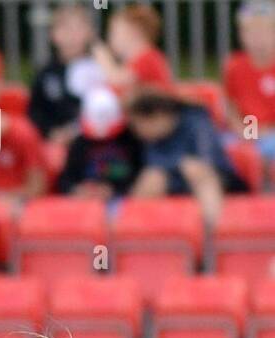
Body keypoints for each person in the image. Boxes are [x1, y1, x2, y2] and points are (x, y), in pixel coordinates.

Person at [127, 87, 244, 227]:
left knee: (198, 172)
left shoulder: (197, 122)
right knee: (152, 178)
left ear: (158, 116)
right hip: (175, 180)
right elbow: (153, 164)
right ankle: (136, 234)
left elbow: (209, 161)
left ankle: (213, 237)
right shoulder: (149, 140)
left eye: (139, 125)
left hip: (218, 181)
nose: (137, 131)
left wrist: (183, 164)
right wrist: (178, 163)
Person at [28, 3, 107, 143]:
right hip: (57, 143)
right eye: (66, 28)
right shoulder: (46, 74)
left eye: (78, 28)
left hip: (97, 140)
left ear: (89, 32)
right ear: (53, 34)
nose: (72, 35)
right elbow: (35, 112)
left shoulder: (102, 68)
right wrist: (52, 132)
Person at [55, 85, 144, 198]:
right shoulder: (80, 143)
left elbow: (141, 174)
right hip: (87, 206)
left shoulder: (132, 140)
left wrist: (115, 189)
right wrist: (77, 190)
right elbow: (66, 180)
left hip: (124, 203)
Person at [225, 0, 275, 159]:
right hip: (244, 132)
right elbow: (230, 105)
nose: (257, 39)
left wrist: (264, 132)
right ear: (241, 35)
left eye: (264, 33)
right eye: (251, 33)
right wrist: (243, 131)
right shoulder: (234, 65)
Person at [93, 4, 173, 97]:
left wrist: (104, 58)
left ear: (134, 32)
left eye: (115, 32)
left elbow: (119, 81)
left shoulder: (147, 57)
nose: (110, 39)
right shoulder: (138, 59)